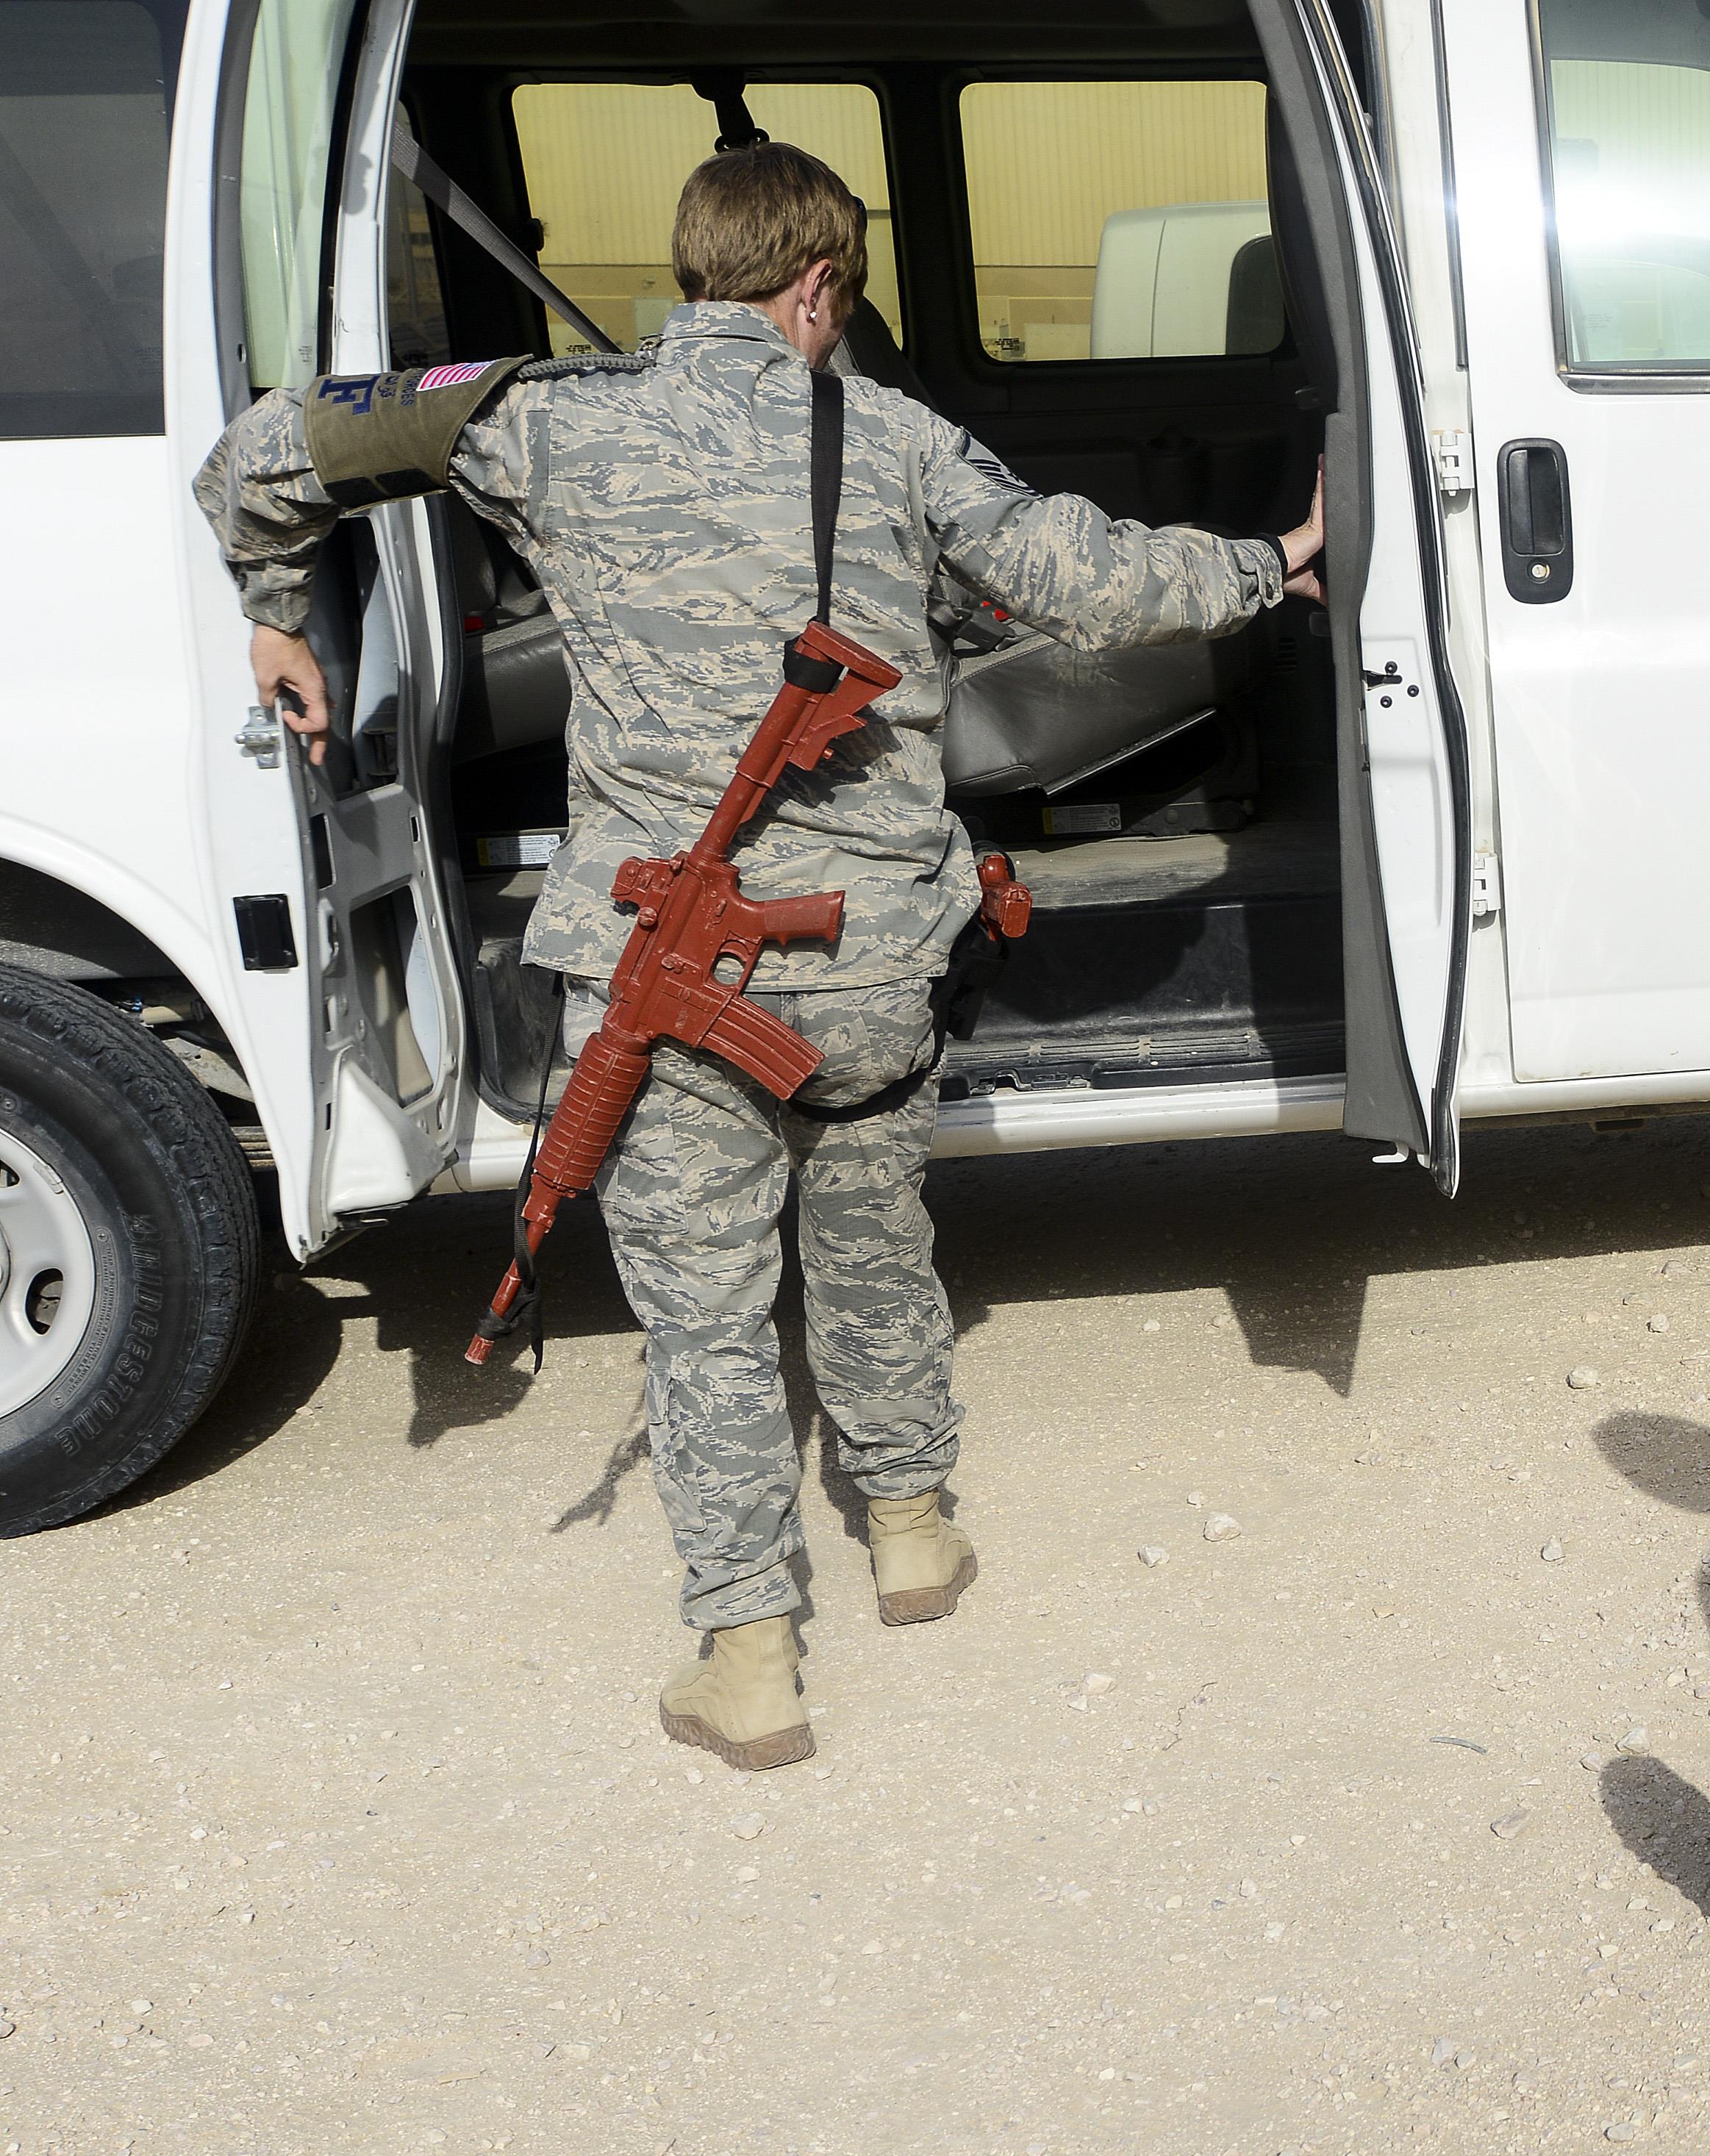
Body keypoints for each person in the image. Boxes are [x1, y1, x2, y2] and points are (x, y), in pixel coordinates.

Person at [198, 143, 1320, 1770]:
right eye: (843, 298)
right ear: (817, 288)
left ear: (695, 270)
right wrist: (1276, 562)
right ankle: (916, 1519)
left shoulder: (538, 418)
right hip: (868, 963)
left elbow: (268, 453)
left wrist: (277, 608)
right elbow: (1100, 581)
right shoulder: (896, 438)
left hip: (673, 972)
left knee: (706, 1314)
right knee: (874, 1236)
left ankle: (746, 1648)